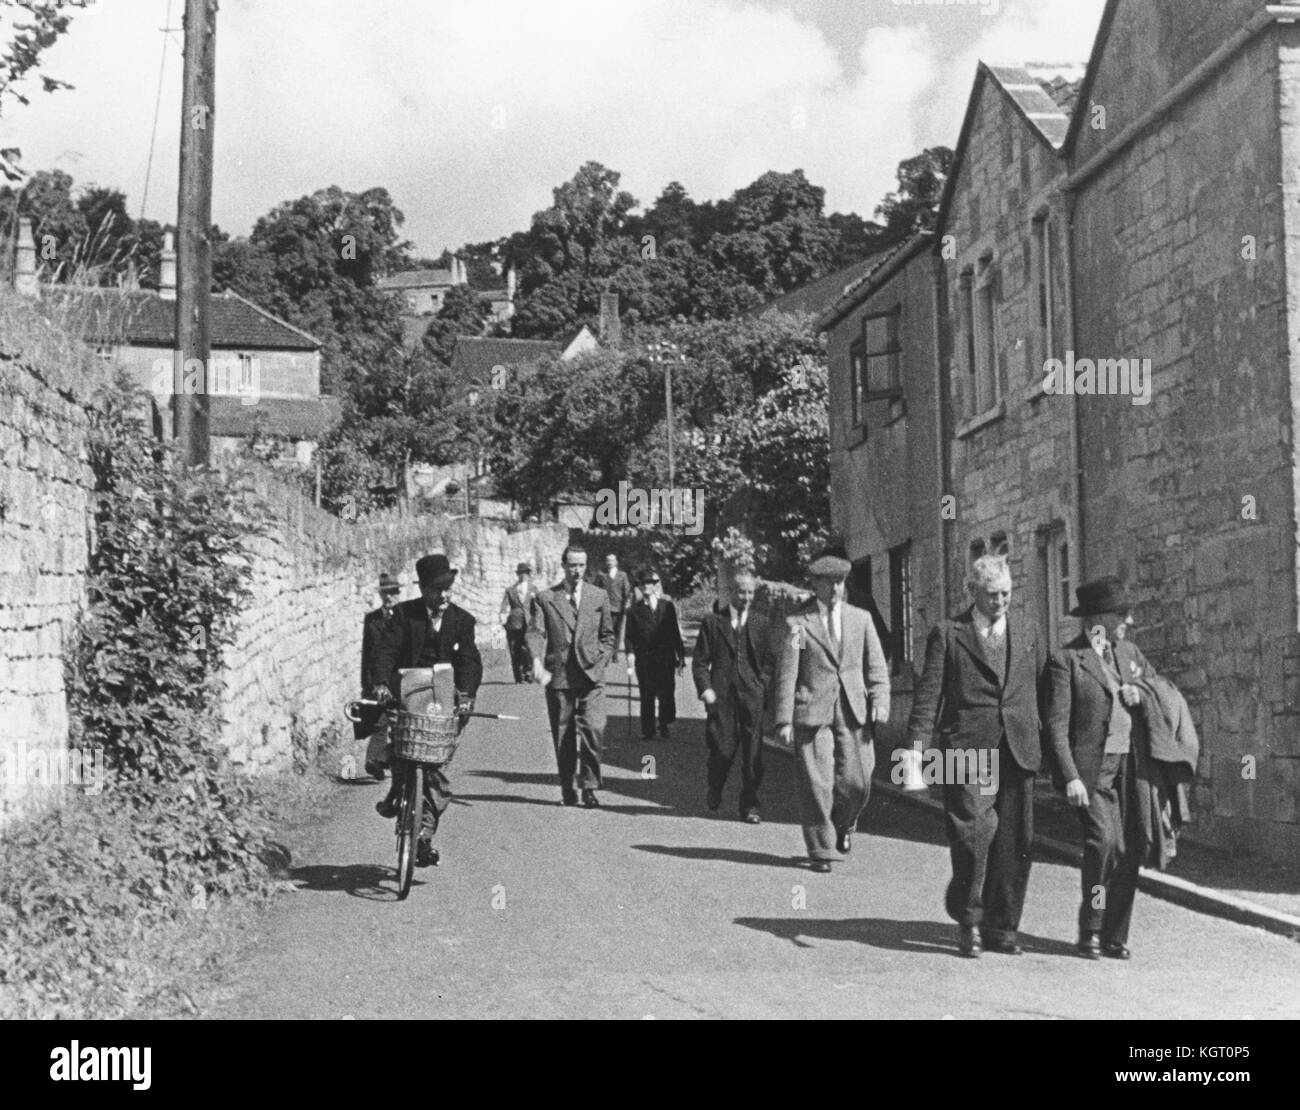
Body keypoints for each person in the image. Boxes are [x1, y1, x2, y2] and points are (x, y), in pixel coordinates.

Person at [905, 555, 1048, 957]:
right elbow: (928, 699)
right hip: (966, 750)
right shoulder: (949, 634)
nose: (1000, 601)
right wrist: (916, 760)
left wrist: (1058, 755)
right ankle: (969, 921)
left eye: (1005, 593)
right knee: (972, 833)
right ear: (972, 592)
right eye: (991, 595)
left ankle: (1003, 928)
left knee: (1015, 841)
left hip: (1018, 749)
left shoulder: (1030, 632)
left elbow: (1043, 692)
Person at [1046, 576, 1158, 961]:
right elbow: (1057, 727)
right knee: (1104, 842)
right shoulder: (1066, 661)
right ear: (1097, 618)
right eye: (1120, 613)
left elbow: (1158, 688)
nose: (1128, 619)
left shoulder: (1130, 654)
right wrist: (1070, 776)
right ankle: (1090, 928)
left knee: (1135, 845)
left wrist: (1140, 693)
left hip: (1133, 765)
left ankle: (1115, 933)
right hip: (1093, 770)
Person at [774, 553, 890, 873]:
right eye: (830, 582)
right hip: (812, 709)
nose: (837, 588)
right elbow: (788, 672)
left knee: (859, 781)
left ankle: (845, 823)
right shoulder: (798, 623)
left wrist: (880, 701)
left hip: (854, 709)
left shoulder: (860, 619)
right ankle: (821, 849)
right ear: (816, 584)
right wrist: (784, 719)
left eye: (841, 582)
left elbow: (876, 667)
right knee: (817, 783)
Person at [373, 553, 483, 867]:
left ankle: (423, 836)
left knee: (436, 771)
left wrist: (466, 695)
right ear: (423, 589)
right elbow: (386, 651)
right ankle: (397, 789)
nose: (445, 594)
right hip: (410, 698)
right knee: (401, 752)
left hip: (444, 705)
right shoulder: (404, 616)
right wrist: (381, 682)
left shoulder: (462, 621)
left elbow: (470, 662)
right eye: (438, 589)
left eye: (448, 587)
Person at [526, 545, 615, 807]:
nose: (577, 571)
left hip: (591, 675)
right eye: (572, 565)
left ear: (586, 567)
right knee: (563, 735)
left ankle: (589, 786)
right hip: (560, 674)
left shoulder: (598, 596)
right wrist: (536, 660)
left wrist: (602, 660)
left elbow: (608, 635)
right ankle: (567, 786)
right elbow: (535, 632)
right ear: (563, 566)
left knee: (594, 729)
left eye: (581, 565)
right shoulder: (545, 598)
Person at [692, 569, 774, 823]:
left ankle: (750, 805)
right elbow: (700, 662)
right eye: (742, 592)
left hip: (752, 696)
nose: (746, 597)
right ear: (731, 593)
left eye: (750, 592)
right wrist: (706, 688)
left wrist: (762, 684)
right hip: (722, 697)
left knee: (753, 755)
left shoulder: (762, 623)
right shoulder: (713, 622)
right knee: (722, 750)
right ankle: (715, 786)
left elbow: (770, 661)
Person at [625, 569, 686, 741]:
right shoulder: (633, 611)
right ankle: (648, 729)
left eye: (649, 584)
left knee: (666, 692)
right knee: (647, 694)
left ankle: (664, 723)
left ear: (654, 586)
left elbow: (675, 632)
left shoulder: (667, 606)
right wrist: (630, 656)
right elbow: (629, 637)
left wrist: (680, 657)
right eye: (643, 584)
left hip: (665, 657)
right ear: (639, 586)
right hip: (645, 659)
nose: (646, 586)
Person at [359, 572, 402, 779]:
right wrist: (366, 685)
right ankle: (374, 761)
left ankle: (389, 761)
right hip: (377, 680)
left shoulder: (406, 617)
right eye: (385, 593)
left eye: (393, 593)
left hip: (399, 678)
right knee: (379, 722)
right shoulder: (372, 620)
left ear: (398, 594)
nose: (389, 597)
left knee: (400, 724)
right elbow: (367, 654)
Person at [500, 562, 537, 683]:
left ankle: (529, 674)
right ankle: (519, 677)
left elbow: (538, 607)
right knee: (515, 649)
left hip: (530, 623)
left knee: (529, 648)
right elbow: (504, 607)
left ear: (528, 574)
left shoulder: (534, 589)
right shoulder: (510, 590)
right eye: (521, 573)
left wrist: (538, 621)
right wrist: (503, 619)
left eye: (526, 573)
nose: (523, 575)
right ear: (518, 574)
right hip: (514, 623)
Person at [593, 553, 632, 655]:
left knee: (616, 631)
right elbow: (595, 589)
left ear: (616, 562)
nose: (610, 563)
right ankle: (604, 652)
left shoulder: (622, 575)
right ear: (606, 562)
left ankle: (614, 653)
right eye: (608, 560)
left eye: (612, 560)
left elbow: (627, 591)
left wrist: (626, 604)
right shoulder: (601, 575)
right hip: (604, 607)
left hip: (618, 608)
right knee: (603, 630)